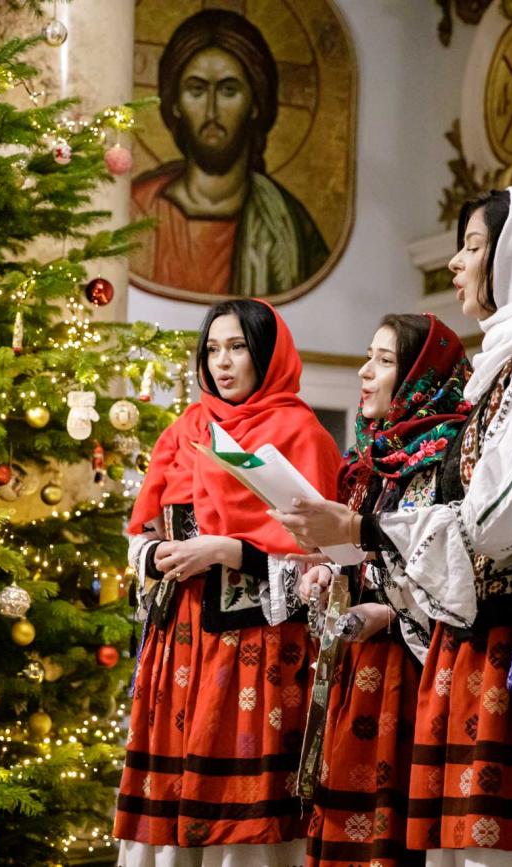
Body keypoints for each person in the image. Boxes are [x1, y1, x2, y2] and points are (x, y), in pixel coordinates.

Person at [271, 187, 512, 865]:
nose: (456, 263)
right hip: (490, 643)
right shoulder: (508, 360)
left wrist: (360, 526)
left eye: (474, 247)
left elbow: (493, 521)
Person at [115, 299, 342, 866]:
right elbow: (140, 532)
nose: (222, 362)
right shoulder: (184, 431)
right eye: (212, 349)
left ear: (267, 354)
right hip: (180, 645)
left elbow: (329, 569)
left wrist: (230, 550)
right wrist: (154, 553)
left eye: (238, 347)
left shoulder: (302, 434)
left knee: (242, 820)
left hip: (258, 656)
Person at [297, 313, 470, 867]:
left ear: (422, 378)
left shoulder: (451, 457)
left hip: (417, 670)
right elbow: (368, 554)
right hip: (361, 666)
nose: (365, 373)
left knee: (395, 829)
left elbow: (457, 575)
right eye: (368, 357)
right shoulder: (371, 457)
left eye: (385, 361)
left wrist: (390, 614)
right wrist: (331, 573)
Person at [131, 9, 329, 298]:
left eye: (228, 90)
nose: (212, 111)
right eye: (196, 90)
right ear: (175, 104)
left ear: (255, 103)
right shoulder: (138, 209)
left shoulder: (292, 228)